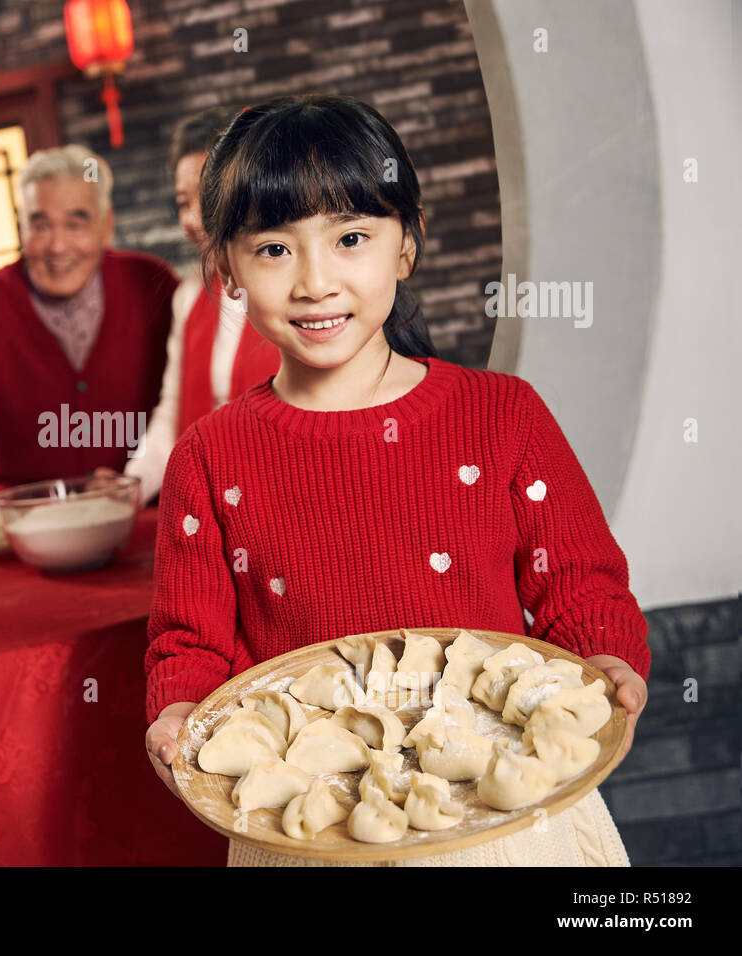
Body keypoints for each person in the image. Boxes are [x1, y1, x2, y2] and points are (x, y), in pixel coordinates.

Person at [141, 95, 650, 866]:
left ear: (406, 245)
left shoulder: (502, 415)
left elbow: (578, 585)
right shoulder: (211, 457)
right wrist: (178, 709)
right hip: (308, 829)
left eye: (351, 238)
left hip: (502, 807)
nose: (315, 282)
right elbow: (191, 639)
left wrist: (605, 658)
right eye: (274, 249)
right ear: (227, 269)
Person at [0, 145, 176, 512]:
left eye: (76, 224)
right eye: (40, 225)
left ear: (106, 225)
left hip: (139, 508)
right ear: (20, 227)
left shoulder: (152, 282)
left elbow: (185, 405)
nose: (58, 246)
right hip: (22, 518)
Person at [125, 108, 280, 504]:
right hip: (209, 499)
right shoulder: (189, 296)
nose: (194, 219)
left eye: (208, 198)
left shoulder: (293, 285)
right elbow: (173, 413)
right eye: (183, 202)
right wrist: (131, 485)